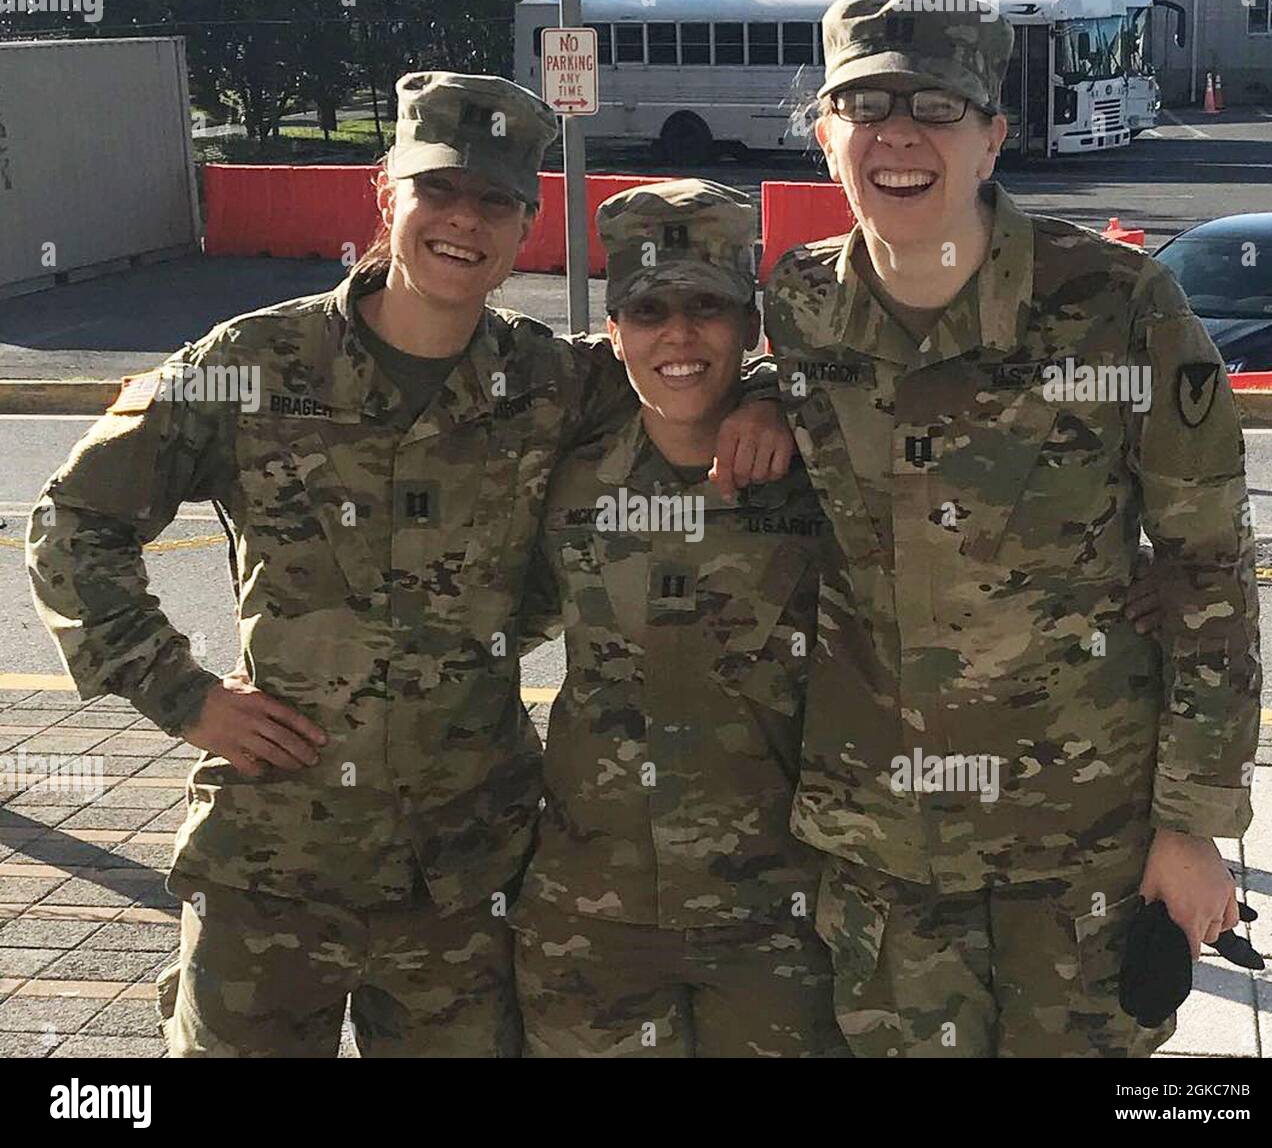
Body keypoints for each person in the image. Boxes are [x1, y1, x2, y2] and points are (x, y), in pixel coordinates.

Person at [26, 72, 786, 1058]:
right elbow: (73, 519)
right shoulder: (250, 361)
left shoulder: (550, 379)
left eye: (495, 201)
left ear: (525, 226)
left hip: (461, 878)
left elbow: (690, 357)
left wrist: (764, 392)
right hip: (274, 864)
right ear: (387, 193)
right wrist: (183, 695)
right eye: (440, 189)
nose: (463, 220)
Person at [763, 0, 1262, 1058]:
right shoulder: (799, 306)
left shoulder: (1121, 307)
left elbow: (1207, 566)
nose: (898, 134)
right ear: (825, 137)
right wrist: (755, 402)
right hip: (880, 843)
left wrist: (1192, 821)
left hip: (1079, 837)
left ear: (992, 135)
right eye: (865, 105)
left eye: (937, 107)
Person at [508, 179, 846, 1057]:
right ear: (612, 330)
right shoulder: (564, 473)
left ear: (750, 326)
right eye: (649, 309)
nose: (679, 335)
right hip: (594, 917)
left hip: (777, 917)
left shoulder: (824, 472)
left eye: (708, 307)